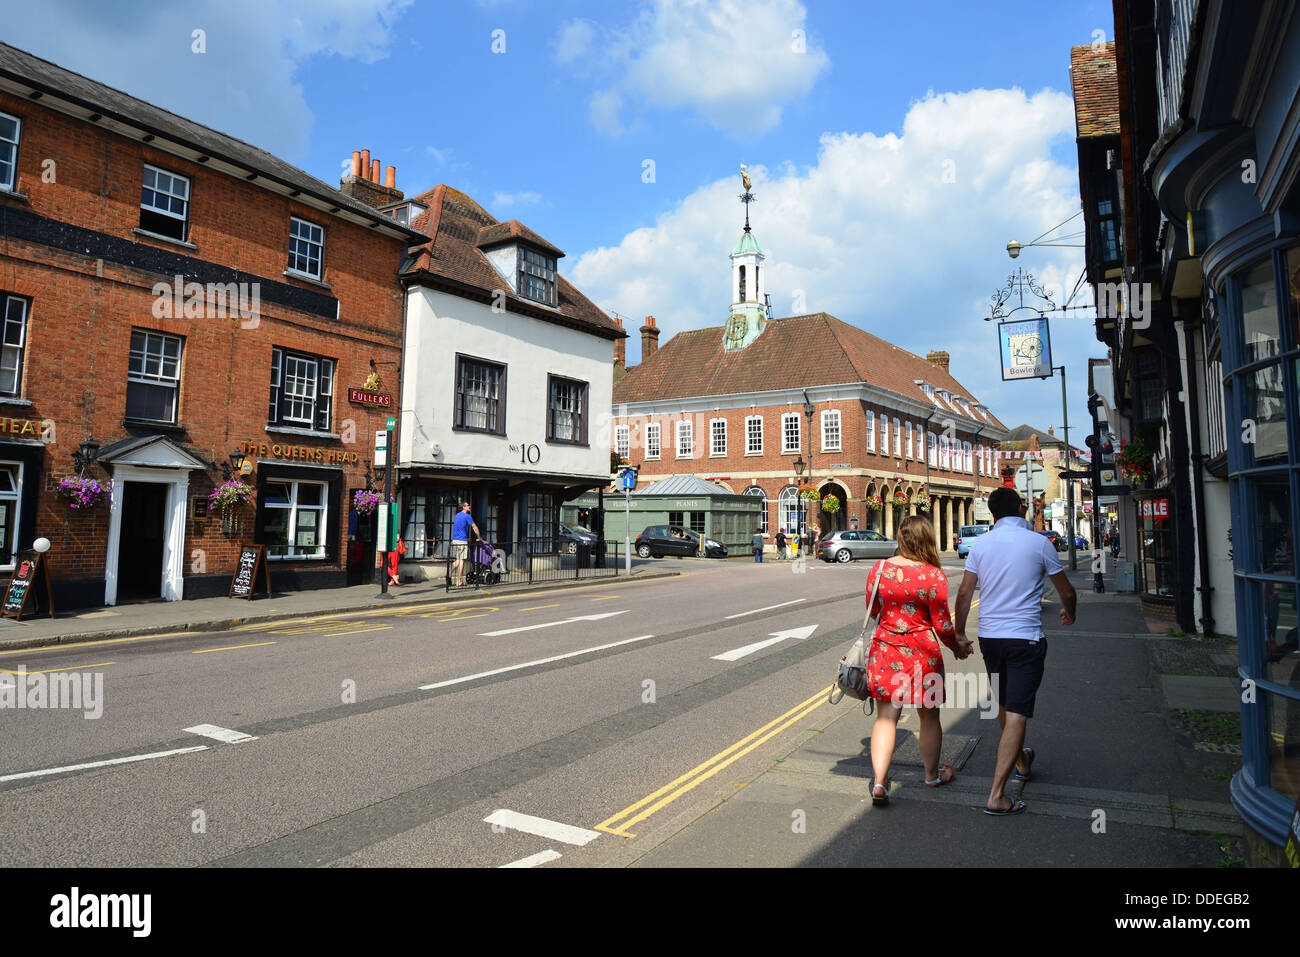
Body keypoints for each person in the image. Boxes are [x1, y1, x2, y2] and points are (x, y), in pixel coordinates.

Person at [953, 486, 1077, 816]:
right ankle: (997, 795)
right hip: (1025, 640)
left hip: (991, 638)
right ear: (1021, 508)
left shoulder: (981, 545)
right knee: (1017, 713)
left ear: (992, 514)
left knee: (1005, 705)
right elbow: (1066, 590)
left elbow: (965, 593)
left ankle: (1022, 760)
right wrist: (1070, 612)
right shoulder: (1039, 542)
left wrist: (959, 634)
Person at [865, 515, 971, 807]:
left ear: (901, 538)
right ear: (927, 539)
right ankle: (931, 776)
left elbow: (872, 610)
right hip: (922, 653)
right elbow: (941, 623)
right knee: (929, 716)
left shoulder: (880, 569)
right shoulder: (932, 575)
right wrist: (957, 646)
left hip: (885, 650)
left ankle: (879, 783)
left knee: (886, 717)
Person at [451, 501, 480, 588]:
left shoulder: (457, 515)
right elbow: (475, 527)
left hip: (455, 540)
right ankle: (459, 581)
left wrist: (465, 538)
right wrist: (479, 537)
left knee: (458, 559)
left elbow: (459, 528)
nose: (469, 506)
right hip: (461, 541)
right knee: (462, 561)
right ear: (464, 507)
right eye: (467, 505)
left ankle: (448, 574)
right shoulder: (467, 516)